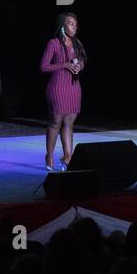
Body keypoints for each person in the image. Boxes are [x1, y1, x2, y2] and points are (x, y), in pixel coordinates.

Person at [40, 12, 86, 171]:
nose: (74, 26)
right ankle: (49, 155)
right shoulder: (53, 43)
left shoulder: (77, 43)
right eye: (70, 23)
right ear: (62, 26)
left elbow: (81, 62)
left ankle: (68, 156)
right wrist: (64, 65)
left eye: (75, 24)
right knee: (55, 123)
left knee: (69, 124)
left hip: (74, 88)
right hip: (58, 88)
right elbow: (44, 66)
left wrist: (79, 66)